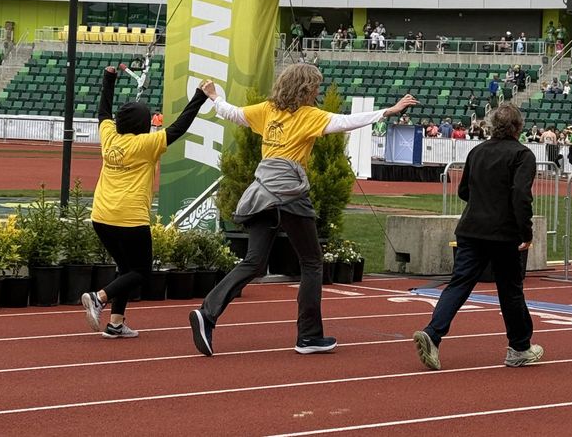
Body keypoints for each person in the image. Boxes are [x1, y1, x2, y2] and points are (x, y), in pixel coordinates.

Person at [189, 64, 418, 357]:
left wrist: (214, 97)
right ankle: (308, 336)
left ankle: (208, 313)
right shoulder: (309, 115)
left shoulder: (267, 110)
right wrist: (388, 111)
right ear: (306, 89)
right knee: (311, 262)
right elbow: (346, 121)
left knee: (254, 263)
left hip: (260, 192)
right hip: (289, 193)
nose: (318, 92)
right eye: (316, 87)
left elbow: (233, 113)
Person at [412, 103, 542, 371]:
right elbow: (521, 195)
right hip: (503, 233)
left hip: (471, 229)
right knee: (510, 290)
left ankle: (433, 333)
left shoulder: (477, 151)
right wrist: (525, 232)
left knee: (459, 284)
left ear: (493, 125)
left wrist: (483, 201)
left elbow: (463, 191)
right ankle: (519, 347)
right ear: (518, 127)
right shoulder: (522, 155)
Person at [81, 66, 208, 338]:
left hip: (101, 216)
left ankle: (116, 324)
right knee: (141, 271)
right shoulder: (147, 145)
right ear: (142, 125)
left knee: (126, 269)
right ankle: (98, 298)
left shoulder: (108, 137)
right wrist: (200, 96)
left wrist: (109, 79)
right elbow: (179, 127)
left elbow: (103, 112)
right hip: (130, 218)